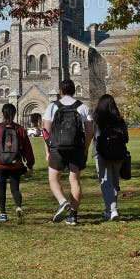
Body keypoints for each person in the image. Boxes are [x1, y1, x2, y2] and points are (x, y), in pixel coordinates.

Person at [42, 78, 93, 226]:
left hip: (57, 148)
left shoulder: (52, 107)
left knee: (53, 179)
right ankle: (73, 216)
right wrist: (85, 148)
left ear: (60, 91)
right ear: (74, 91)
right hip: (76, 147)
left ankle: (62, 201)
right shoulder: (82, 107)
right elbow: (90, 130)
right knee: (74, 181)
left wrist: (48, 151)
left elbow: (46, 132)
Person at [0, 103, 35, 222]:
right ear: (14, 114)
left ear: (3, 114)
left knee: (1, 189)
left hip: (0, 163)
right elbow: (28, 148)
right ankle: (18, 207)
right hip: (15, 163)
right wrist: (30, 164)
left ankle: (3, 214)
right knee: (15, 189)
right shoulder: (20, 129)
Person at [93, 94, 129, 221]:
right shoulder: (119, 120)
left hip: (102, 154)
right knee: (114, 182)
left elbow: (96, 137)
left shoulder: (97, 119)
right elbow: (126, 138)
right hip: (119, 154)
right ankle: (112, 209)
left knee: (105, 182)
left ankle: (112, 210)